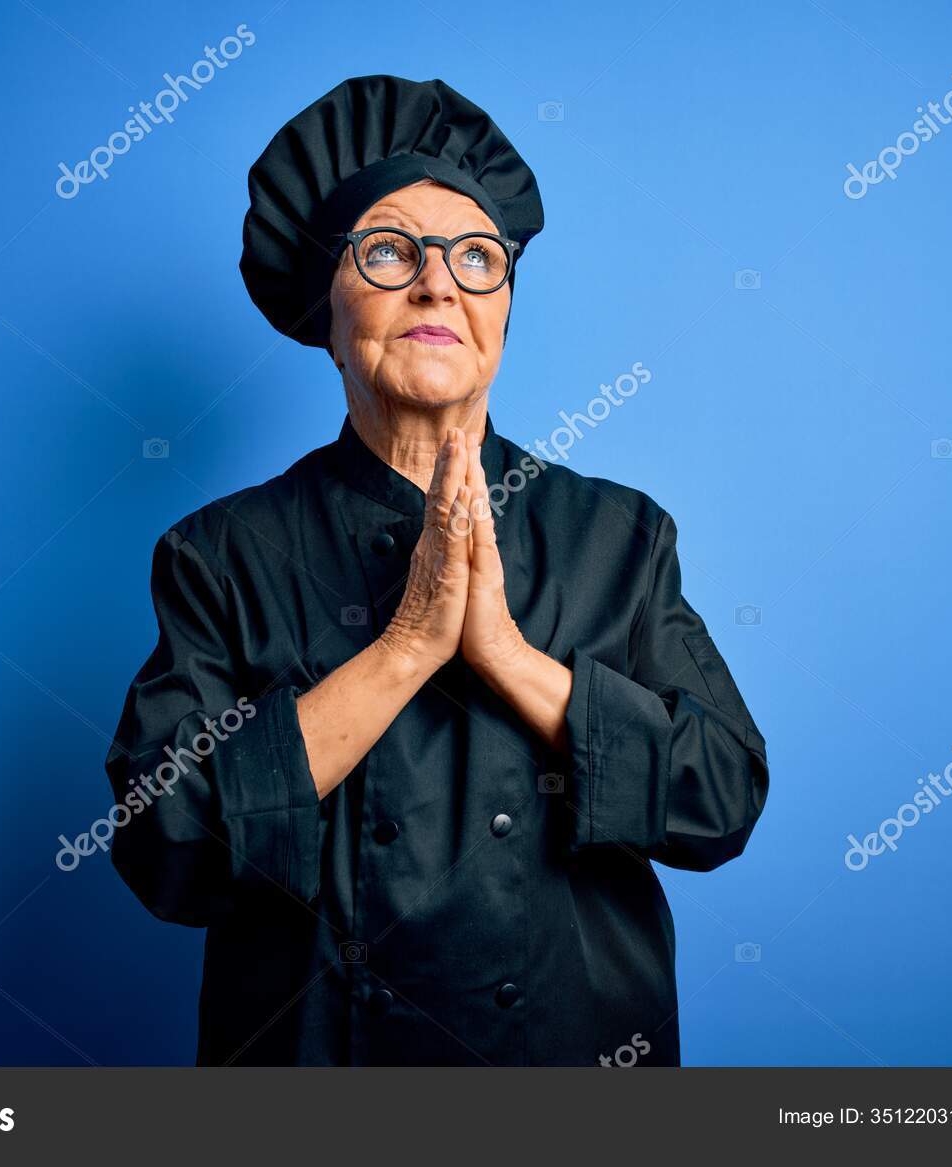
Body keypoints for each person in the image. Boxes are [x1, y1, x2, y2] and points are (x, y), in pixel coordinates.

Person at [105, 74, 770, 1066]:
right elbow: (166, 846)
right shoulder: (221, 554)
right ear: (320, 310)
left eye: (475, 257)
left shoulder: (620, 536)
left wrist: (503, 653)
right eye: (388, 252)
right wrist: (408, 646)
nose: (437, 283)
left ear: (500, 308)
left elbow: (718, 800)